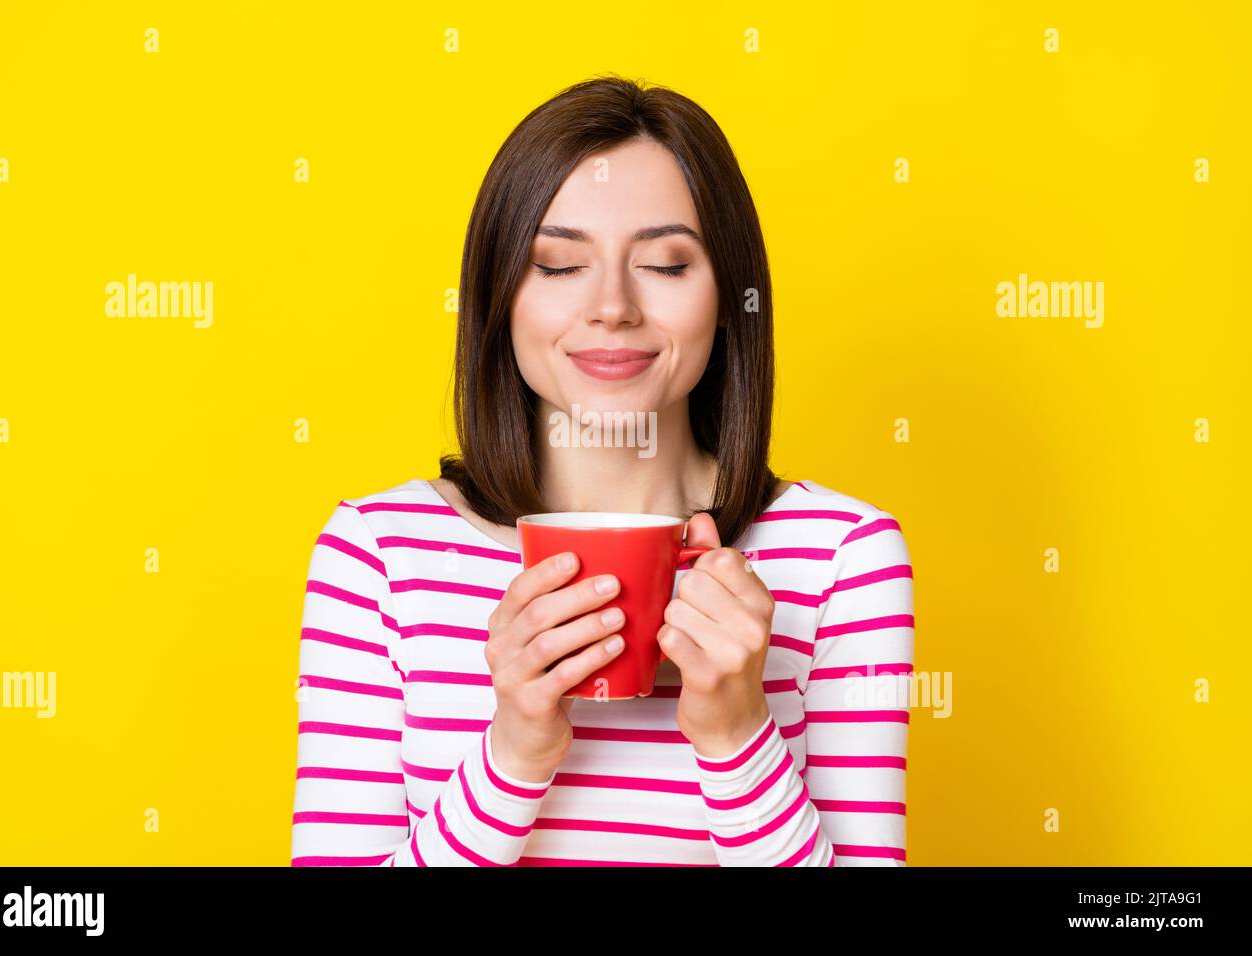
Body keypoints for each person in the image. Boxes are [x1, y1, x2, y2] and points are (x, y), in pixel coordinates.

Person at [291, 75, 914, 866]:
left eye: (663, 263)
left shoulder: (846, 559)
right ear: (499, 298)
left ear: (728, 297)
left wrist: (737, 736)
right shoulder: (378, 555)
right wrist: (513, 753)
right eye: (557, 266)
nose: (613, 305)